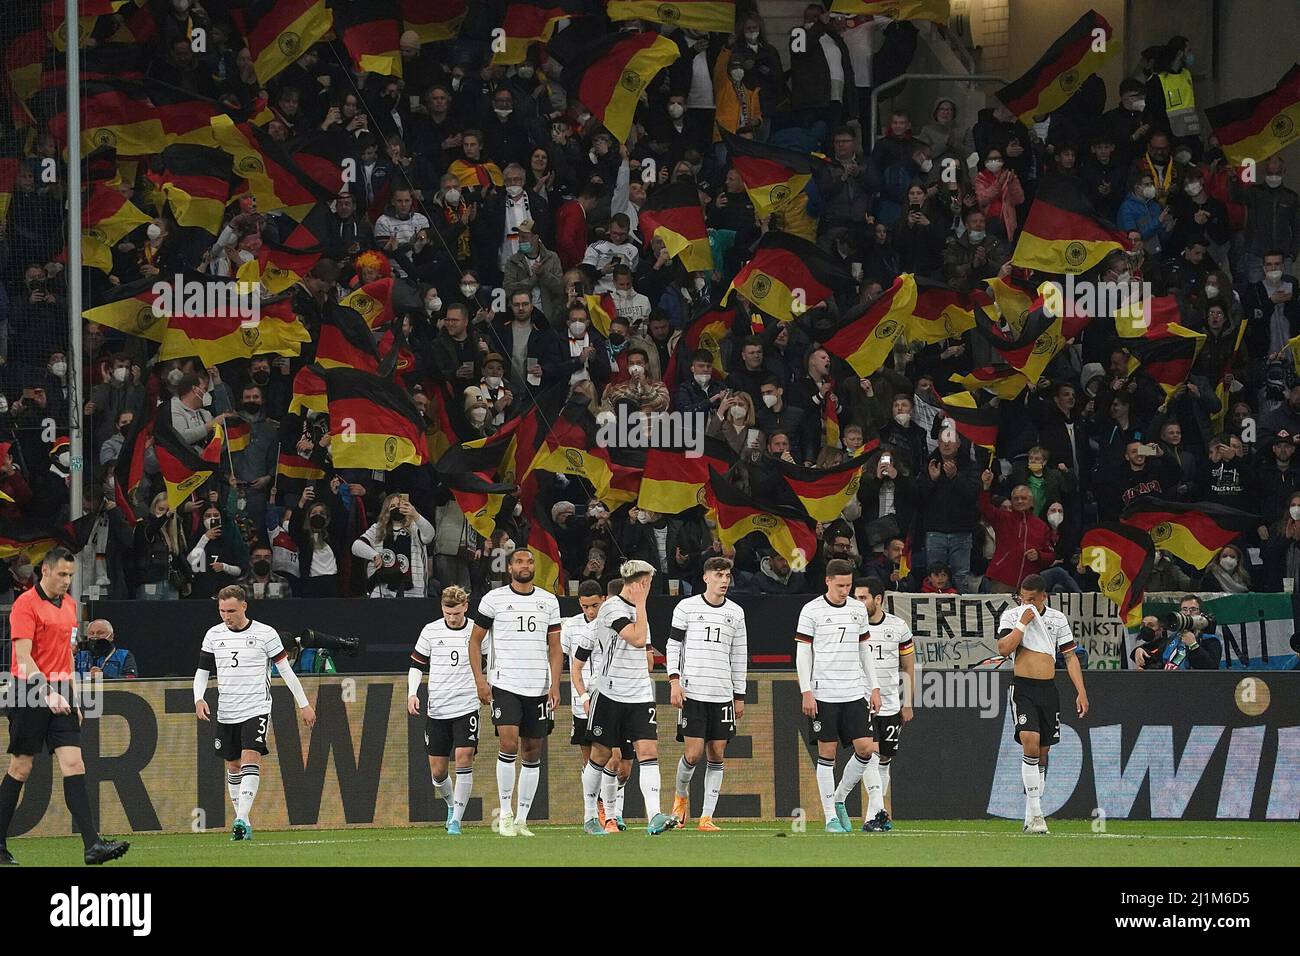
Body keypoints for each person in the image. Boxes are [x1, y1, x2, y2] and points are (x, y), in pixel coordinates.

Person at [0, 548, 130, 865]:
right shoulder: (25, 605)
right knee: (21, 768)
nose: (66, 581)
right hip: (27, 691)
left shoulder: (70, 605)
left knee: (74, 764)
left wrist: (74, 695)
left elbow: (66, 655)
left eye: (70, 575)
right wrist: (47, 692)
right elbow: (24, 657)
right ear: (45, 571)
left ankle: (92, 845)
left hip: (60, 692)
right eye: (62, 574)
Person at [194, 585, 317, 841]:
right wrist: (199, 698)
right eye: (221, 611)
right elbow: (203, 671)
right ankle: (244, 821)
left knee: (251, 756)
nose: (226, 616)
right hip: (227, 709)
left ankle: (240, 818)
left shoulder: (265, 634)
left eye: (231, 610)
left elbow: (285, 671)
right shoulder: (213, 635)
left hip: (256, 707)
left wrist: (303, 704)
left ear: (244, 606)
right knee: (233, 764)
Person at [573, 560, 675, 836]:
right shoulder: (611, 608)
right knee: (601, 755)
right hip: (610, 693)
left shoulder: (639, 612)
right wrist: (641, 606)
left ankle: (654, 815)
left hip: (640, 693)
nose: (650, 587)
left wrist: (641, 609)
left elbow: (648, 655)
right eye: (649, 582)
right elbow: (637, 639)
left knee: (648, 752)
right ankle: (589, 816)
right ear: (641, 582)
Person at [468, 549, 562, 837]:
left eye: (529, 561)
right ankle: (505, 812)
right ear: (509, 568)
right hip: (505, 684)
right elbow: (474, 642)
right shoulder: (493, 599)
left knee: (532, 751)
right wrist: (480, 680)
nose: (525, 565)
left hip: (538, 686)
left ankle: (523, 818)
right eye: (519, 561)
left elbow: (556, 647)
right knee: (508, 743)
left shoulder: (549, 601)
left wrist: (555, 684)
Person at [995, 574, 1089, 835]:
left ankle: (1031, 812)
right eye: (1023, 599)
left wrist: (1081, 691)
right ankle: (1037, 814)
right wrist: (1022, 625)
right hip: (1023, 687)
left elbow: (1070, 657)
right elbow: (1004, 648)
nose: (1027, 604)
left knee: (1043, 752)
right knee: (1030, 741)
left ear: (1044, 597)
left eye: (1033, 600)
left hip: (1048, 690)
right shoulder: (1013, 616)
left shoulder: (1057, 619)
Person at [795, 558, 882, 834]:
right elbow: (803, 652)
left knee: (866, 749)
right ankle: (830, 816)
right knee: (827, 753)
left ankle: (841, 796)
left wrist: (875, 686)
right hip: (824, 693)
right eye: (841, 585)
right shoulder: (811, 611)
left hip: (854, 690)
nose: (846, 590)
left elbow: (864, 650)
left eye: (849, 585)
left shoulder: (858, 609)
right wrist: (806, 690)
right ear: (828, 581)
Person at [666, 556, 748, 831]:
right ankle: (680, 798)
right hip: (693, 692)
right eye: (719, 575)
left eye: (727, 576)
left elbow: (739, 655)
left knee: (717, 753)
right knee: (693, 753)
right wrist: (674, 681)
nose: (724, 580)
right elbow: (673, 645)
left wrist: (740, 695)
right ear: (706, 578)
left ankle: (706, 817)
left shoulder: (736, 613)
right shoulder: (686, 607)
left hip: (722, 693)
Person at [407, 585, 481, 835]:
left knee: (464, 757)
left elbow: (491, 660)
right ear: (442, 609)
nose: (452, 618)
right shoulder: (430, 631)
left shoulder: (476, 631)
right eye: (448, 613)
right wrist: (412, 692)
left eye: (457, 614)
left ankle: (456, 821)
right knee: (438, 772)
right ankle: (451, 805)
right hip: (438, 709)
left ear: (465, 608)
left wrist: (487, 684)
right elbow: (417, 665)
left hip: (467, 705)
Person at [560, 579, 630, 831]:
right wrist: (581, 696)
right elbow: (570, 662)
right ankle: (600, 813)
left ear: (603, 600)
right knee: (591, 761)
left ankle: (611, 809)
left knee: (619, 763)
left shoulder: (614, 623)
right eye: (585, 606)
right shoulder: (570, 627)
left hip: (612, 700)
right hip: (583, 705)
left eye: (594, 605)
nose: (590, 611)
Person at [853, 577, 916, 832]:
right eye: (855, 598)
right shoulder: (851, 626)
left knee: (885, 758)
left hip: (890, 702)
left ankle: (872, 817)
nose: (857, 603)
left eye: (862, 598)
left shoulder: (898, 627)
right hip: (861, 701)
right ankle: (878, 812)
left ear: (878, 599)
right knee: (869, 751)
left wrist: (908, 702)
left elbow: (909, 666)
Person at [352, 493, 436, 597]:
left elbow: (430, 535)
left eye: (399, 505)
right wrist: (374, 555)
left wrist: (416, 515)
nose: (396, 508)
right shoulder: (378, 528)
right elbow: (356, 546)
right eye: (392, 506)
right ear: (386, 511)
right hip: (381, 590)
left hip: (413, 592)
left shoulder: (415, 527)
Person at [1131, 595, 1222, 671]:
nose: (1188, 613)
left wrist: (1194, 646)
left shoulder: (1209, 639)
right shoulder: (1173, 638)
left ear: (1200, 613)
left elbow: (1211, 669)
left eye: (1193, 609)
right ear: (1180, 613)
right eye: (1184, 609)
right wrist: (1139, 651)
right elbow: (1156, 662)